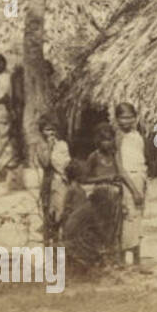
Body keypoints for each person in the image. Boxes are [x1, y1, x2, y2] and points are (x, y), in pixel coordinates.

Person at [62, 123, 125, 275]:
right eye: (103, 140)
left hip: (115, 195)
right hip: (101, 195)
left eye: (109, 139)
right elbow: (84, 179)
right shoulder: (94, 157)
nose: (107, 143)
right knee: (102, 228)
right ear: (97, 141)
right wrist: (105, 178)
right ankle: (102, 260)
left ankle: (115, 259)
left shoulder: (115, 156)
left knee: (115, 227)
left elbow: (121, 174)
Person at [115, 102, 148, 268]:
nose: (126, 121)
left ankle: (136, 260)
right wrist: (134, 189)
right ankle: (122, 260)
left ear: (135, 118)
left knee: (137, 220)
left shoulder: (136, 134)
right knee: (127, 218)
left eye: (130, 117)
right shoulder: (118, 137)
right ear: (117, 119)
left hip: (139, 178)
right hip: (127, 181)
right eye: (123, 117)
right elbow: (120, 167)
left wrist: (142, 185)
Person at [34, 114, 71, 246]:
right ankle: (46, 246)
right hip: (48, 183)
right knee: (48, 216)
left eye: (53, 129)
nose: (51, 133)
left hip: (60, 182)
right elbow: (45, 163)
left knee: (60, 215)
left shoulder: (61, 144)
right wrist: (49, 147)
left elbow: (66, 162)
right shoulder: (40, 145)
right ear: (41, 130)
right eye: (47, 129)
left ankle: (57, 246)